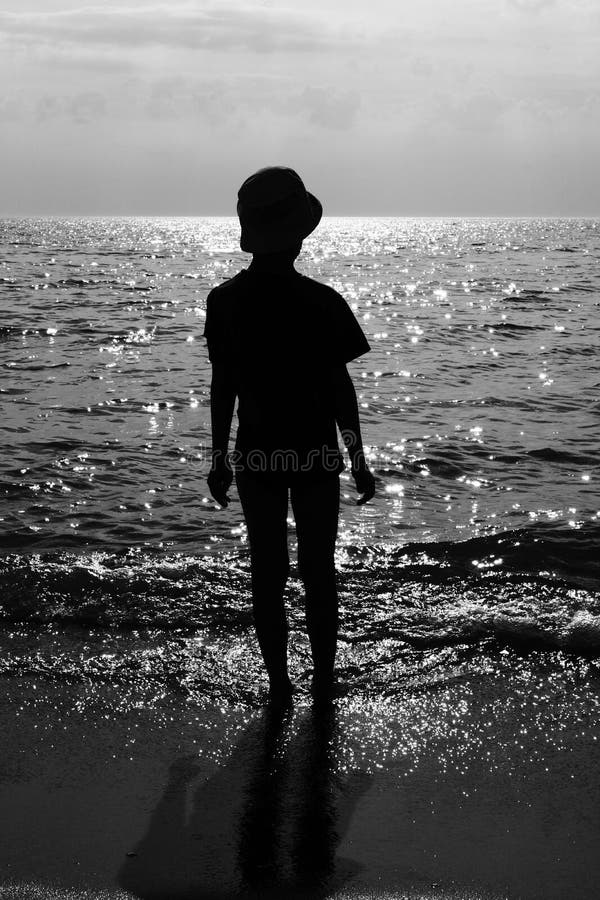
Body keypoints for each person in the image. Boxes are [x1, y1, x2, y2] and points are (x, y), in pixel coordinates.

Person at [204, 166, 375, 704]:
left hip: (256, 451)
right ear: (299, 235)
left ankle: (279, 684)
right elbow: (340, 389)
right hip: (314, 451)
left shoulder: (225, 300)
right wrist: (358, 456)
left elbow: (223, 386)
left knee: (267, 568)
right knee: (318, 569)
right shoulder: (321, 300)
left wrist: (218, 458)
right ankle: (323, 681)